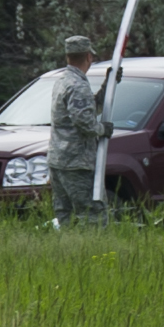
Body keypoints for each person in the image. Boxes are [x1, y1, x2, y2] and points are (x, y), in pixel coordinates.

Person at [46, 34, 111, 228]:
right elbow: (85, 123)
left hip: (58, 160)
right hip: (77, 162)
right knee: (93, 215)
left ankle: (69, 251)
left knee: (65, 215)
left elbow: (85, 108)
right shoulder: (78, 85)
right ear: (89, 57)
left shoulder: (62, 81)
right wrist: (103, 130)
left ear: (68, 57)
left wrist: (109, 85)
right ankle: (93, 251)